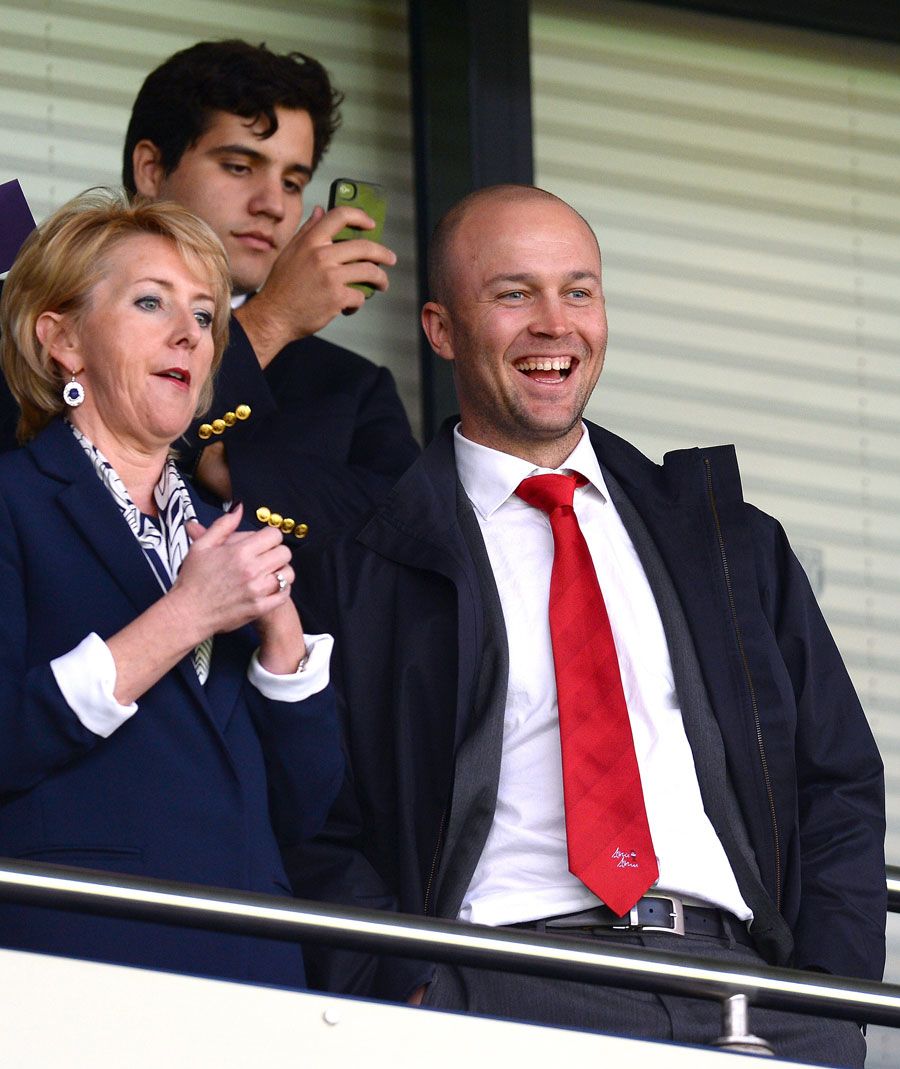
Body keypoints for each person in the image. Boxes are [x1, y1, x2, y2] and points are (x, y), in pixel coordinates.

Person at [289, 185, 885, 1066]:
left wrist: (831, 1000)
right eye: (512, 293)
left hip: (745, 999)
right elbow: (313, 806)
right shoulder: (364, 559)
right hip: (496, 987)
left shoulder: (727, 544)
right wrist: (399, 988)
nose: (554, 323)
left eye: (578, 290)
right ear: (442, 328)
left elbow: (836, 783)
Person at [0, 190, 343, 986]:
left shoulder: (230, 528)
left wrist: (283, 638)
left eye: (205, 313)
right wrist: (187, 614)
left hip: (252, 970)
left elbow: (303, 812)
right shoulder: (14, 499)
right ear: (63, 340)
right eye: (150, 302)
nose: (190, 332)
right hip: (80, 961)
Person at [0, 39, 420, 541]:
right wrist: (273, 319)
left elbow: (406, 539)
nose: (273, 205)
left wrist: (239, 472)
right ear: (151, 170)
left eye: (292, 182)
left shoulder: (352, 386)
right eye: (240, 167)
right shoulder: (27, 325)